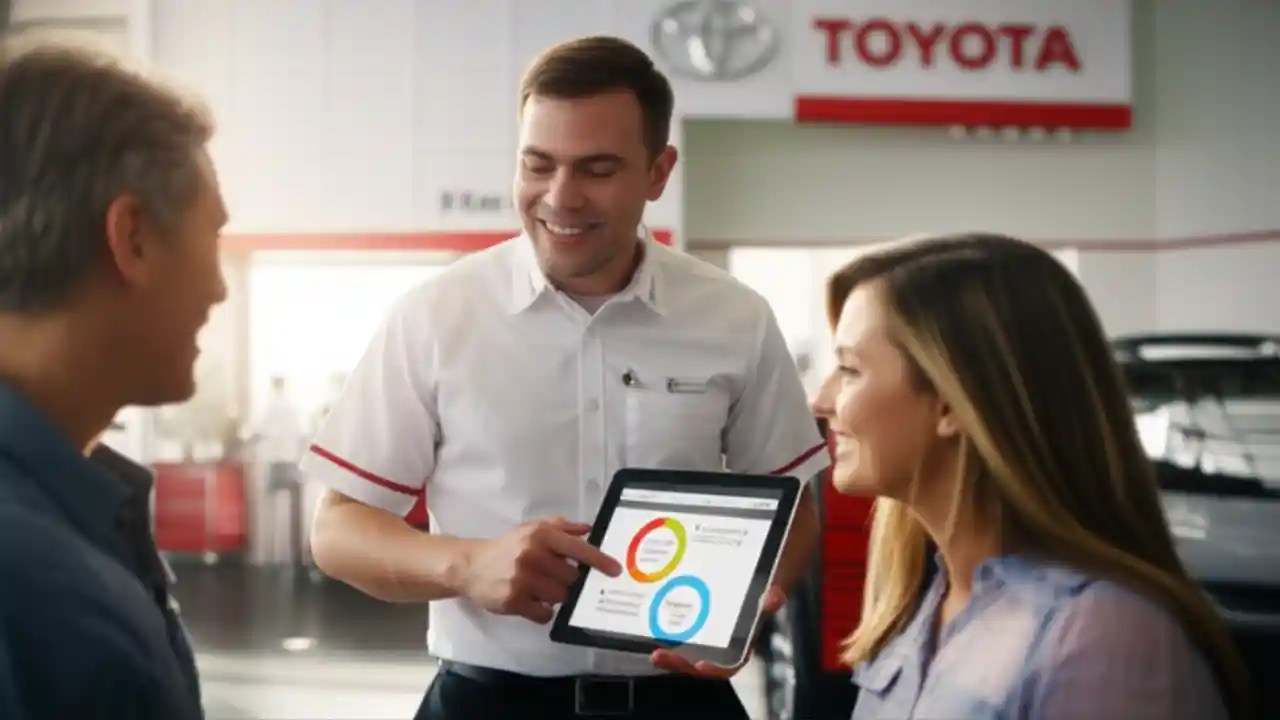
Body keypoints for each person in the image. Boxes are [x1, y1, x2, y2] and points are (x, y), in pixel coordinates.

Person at [302, 36, 828, 719]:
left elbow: (793, 504)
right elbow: (339, 530)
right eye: (538, 165)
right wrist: (466, 564)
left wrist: (754, 597)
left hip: (683, 701)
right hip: (487, 702)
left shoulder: (735, 317)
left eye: (597, 169)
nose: (560, 197)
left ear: (658, 171)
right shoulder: (436, 316)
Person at [809, 233, 1250, 719]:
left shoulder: (1105, 634)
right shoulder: (924, 603)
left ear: (952, 402)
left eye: (849, 369)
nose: (821, 401)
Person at [0, 44, 227, 719]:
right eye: (213, 237)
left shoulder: (59, 514)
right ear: (132, 237)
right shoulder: (30, 586)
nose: (218, 289)